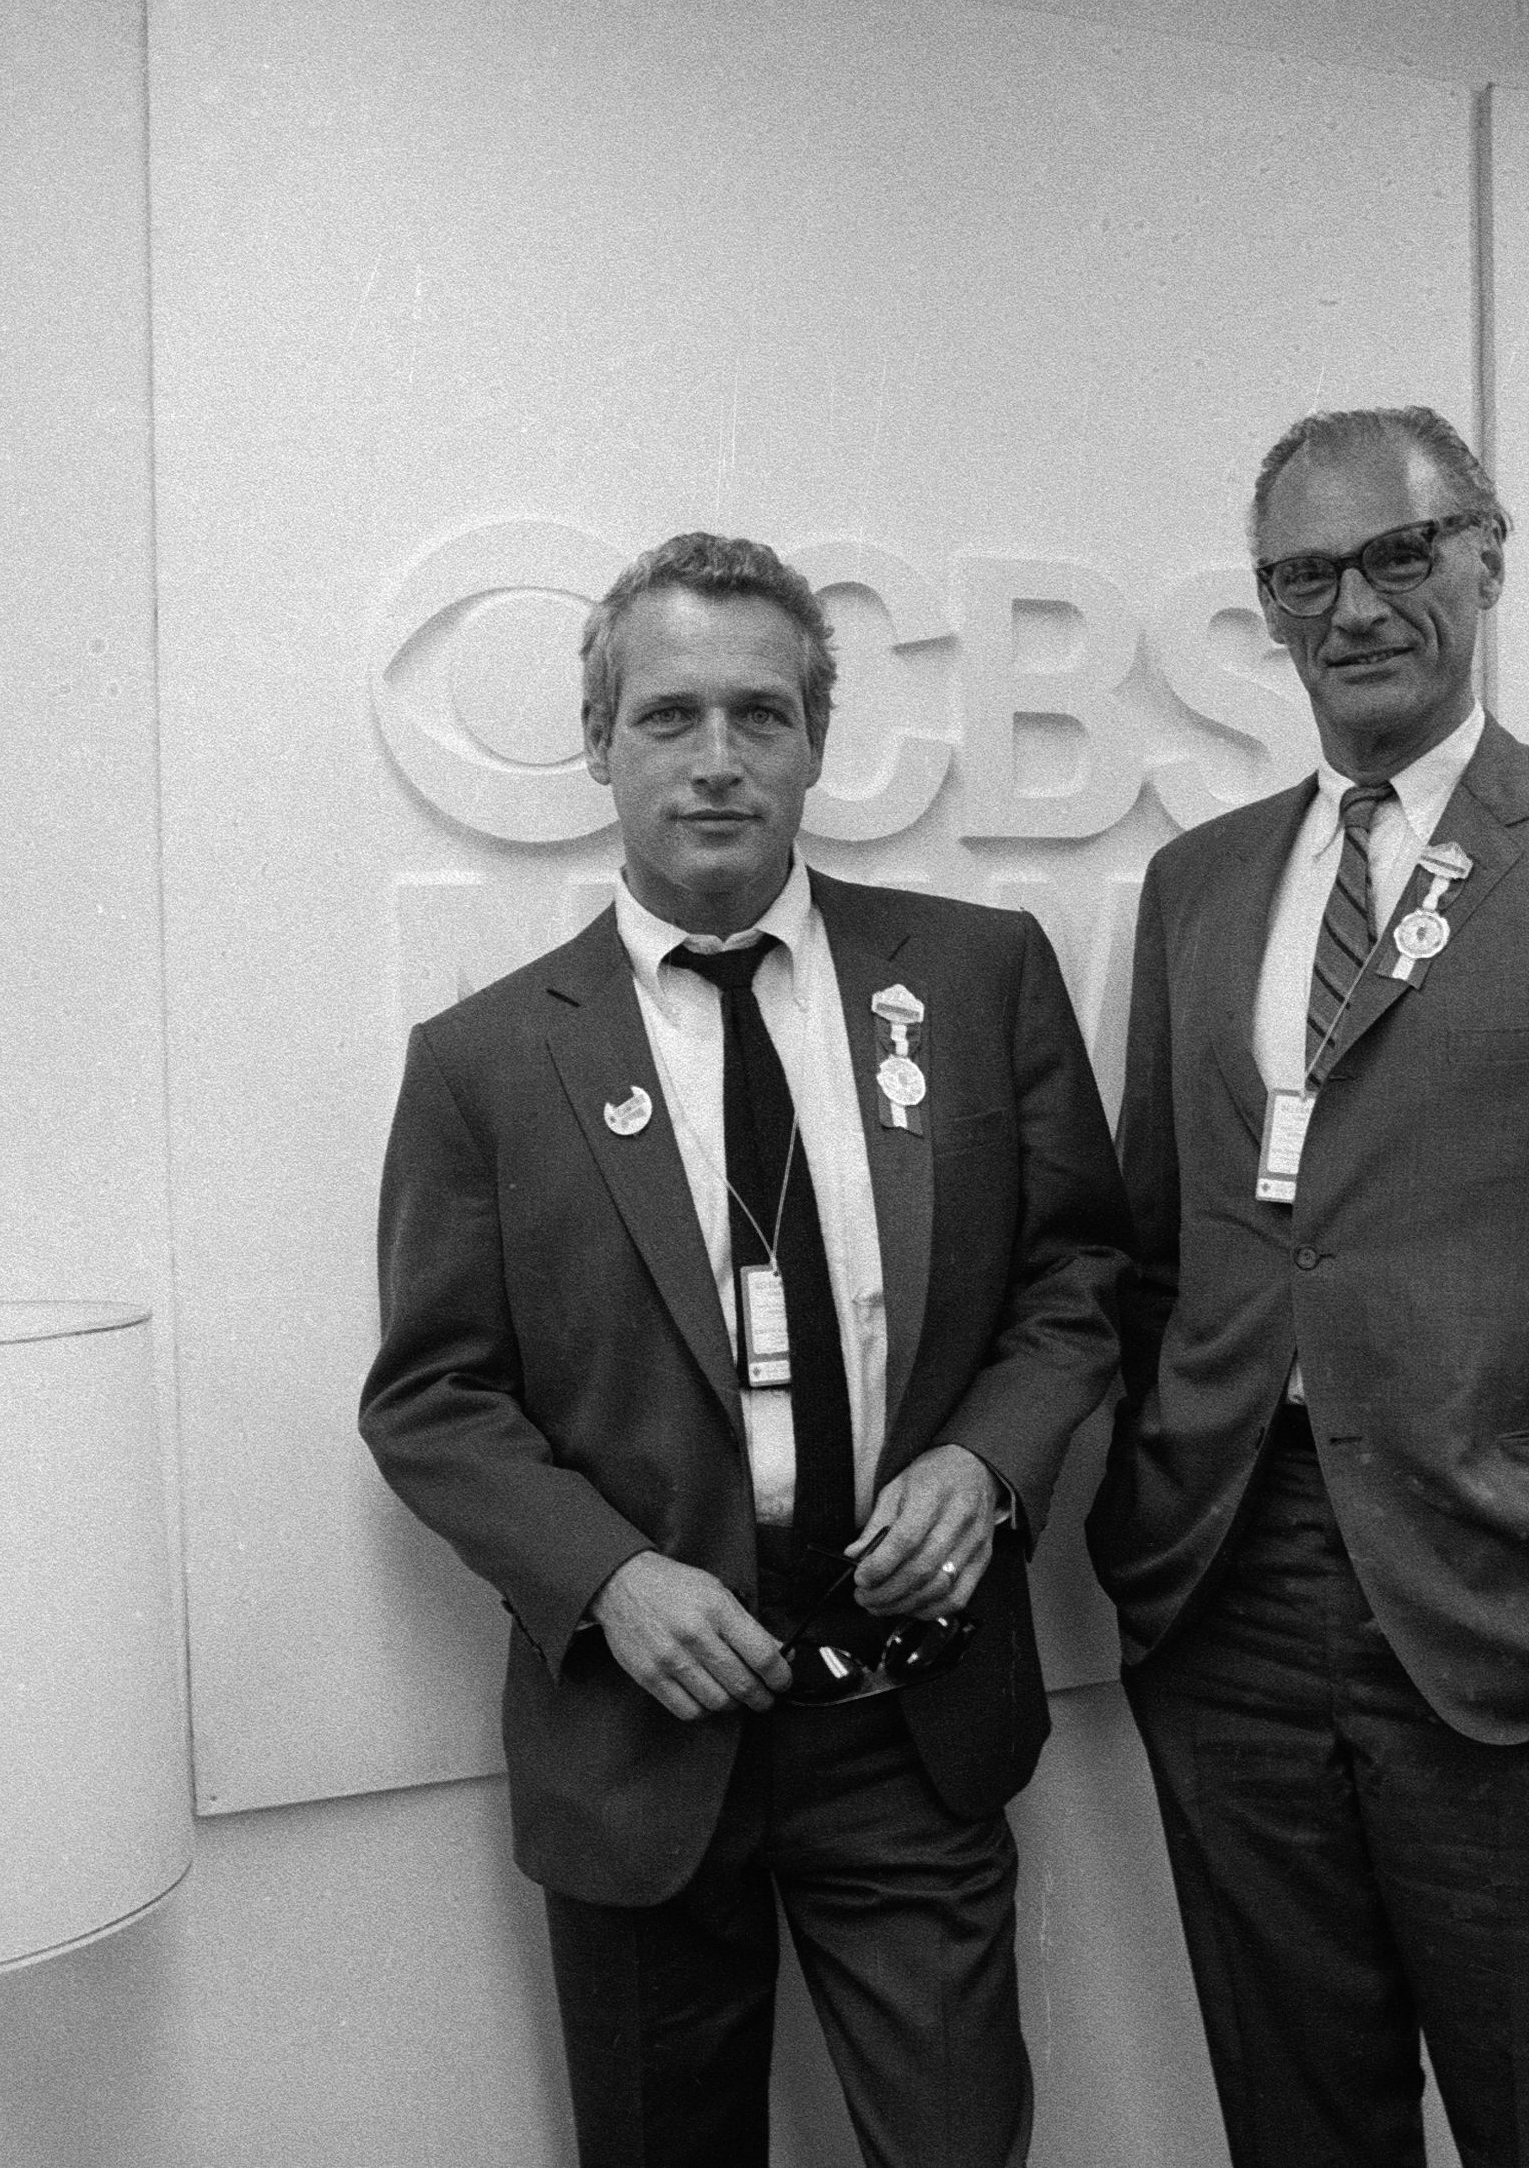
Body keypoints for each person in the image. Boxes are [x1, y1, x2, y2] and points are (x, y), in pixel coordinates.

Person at [1091, 405, 1529, 2168]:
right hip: (1234, 1595)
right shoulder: (1197, 887)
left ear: (1488, 553)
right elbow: (1160, 1243)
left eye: (1400, 554)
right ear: (1268, 608)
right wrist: (1148, 1516)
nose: (1357, 608)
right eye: (1306, 574)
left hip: (1523, 1597)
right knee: (1297, 2122)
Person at [360, 531, 1129, 2168]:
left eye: (761, 716)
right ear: (598, 745)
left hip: (909, 1736)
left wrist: (987, 1462)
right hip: (642, 1749)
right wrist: (607, 1576)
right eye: (671, 716)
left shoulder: (980, 980)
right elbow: (433, 1397)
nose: (718, 759)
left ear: (815, 744)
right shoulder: (486, 1064)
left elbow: (1079, 1278)